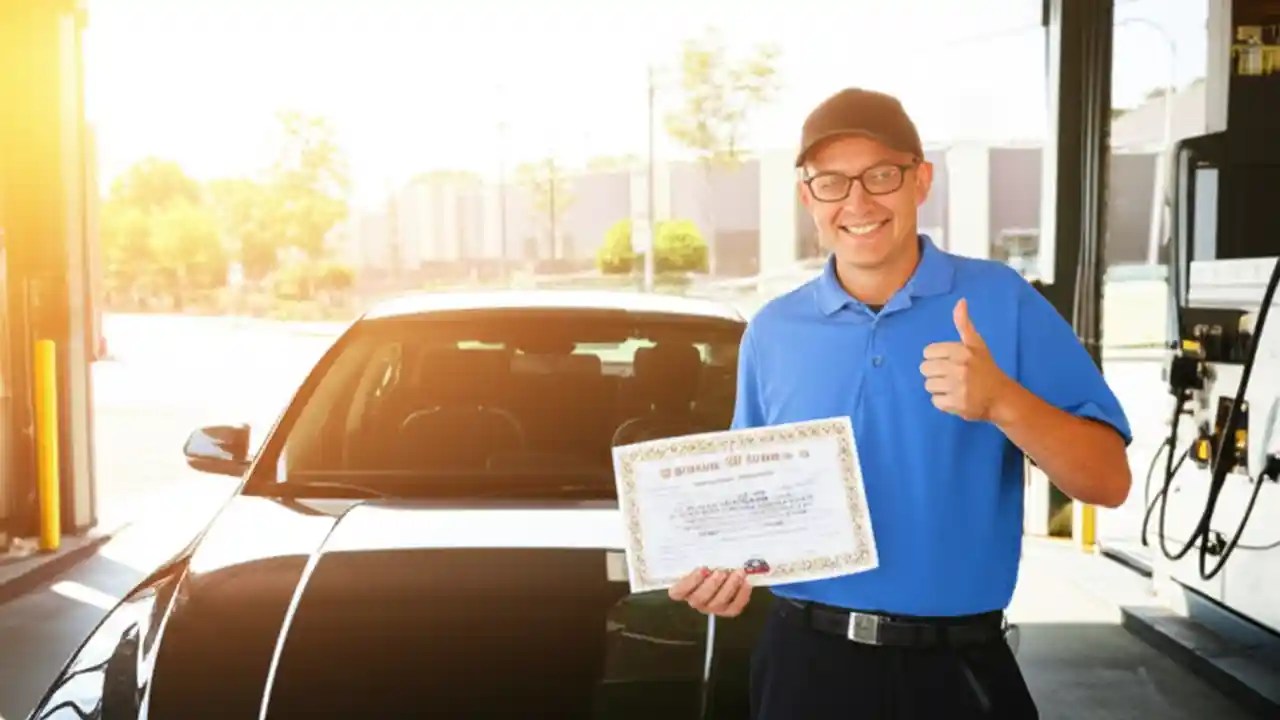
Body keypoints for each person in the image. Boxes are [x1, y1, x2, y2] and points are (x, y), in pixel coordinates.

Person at [667, 88, 1134, 719]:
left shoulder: (1001, 300)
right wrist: (723, 574)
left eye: (881, 175)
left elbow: (1107, 480)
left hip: (954, 669)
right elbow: (750, 510)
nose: (857, 201)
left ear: (922, 181)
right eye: (831, 182)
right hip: (805, 666)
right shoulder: (774, 330)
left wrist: (1002, 401)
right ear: (808, 197)